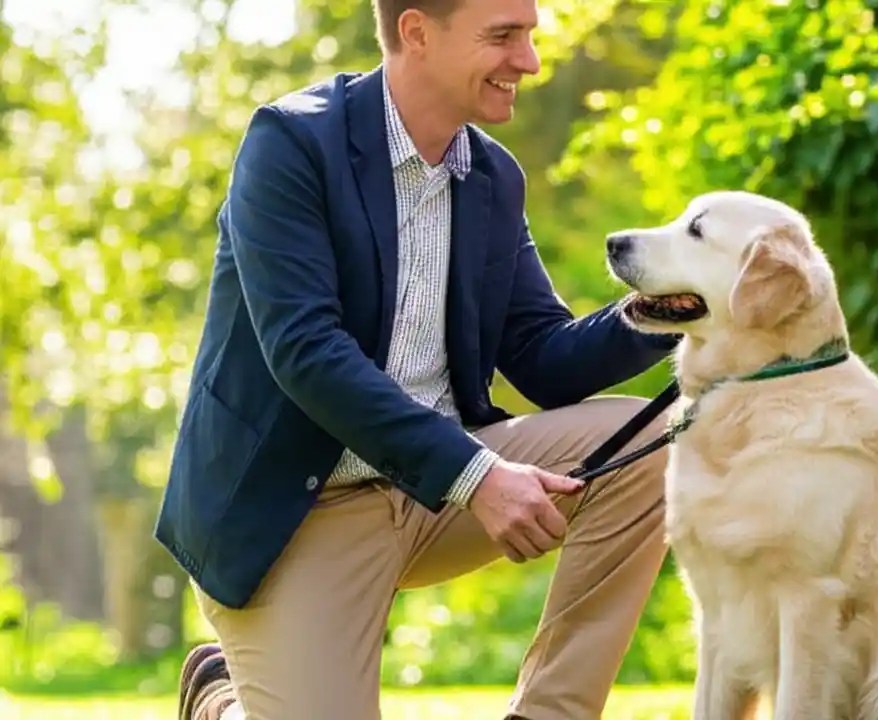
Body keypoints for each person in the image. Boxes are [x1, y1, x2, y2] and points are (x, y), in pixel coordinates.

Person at [154, 0, 679, 718]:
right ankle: (224, 705)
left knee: (648, 442)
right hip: (296, 516)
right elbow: (306, 352)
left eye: (528, 35)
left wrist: (675, 307)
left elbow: (541, 358)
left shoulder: (492, 178)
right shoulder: (291, 144)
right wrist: (477, 476)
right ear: (416, 32)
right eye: (502, 36)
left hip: (433, 495)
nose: (527, 60)